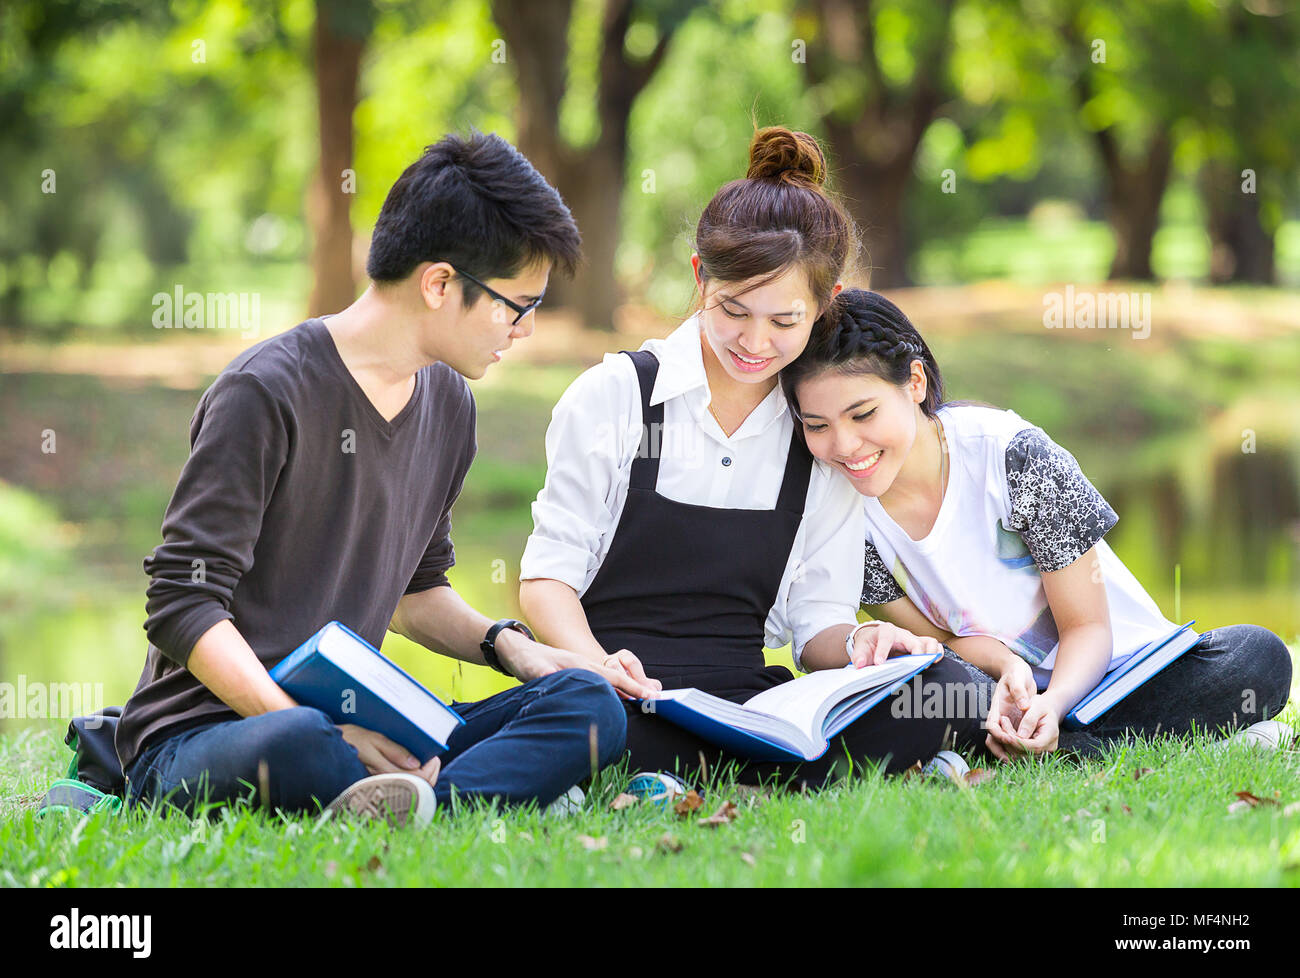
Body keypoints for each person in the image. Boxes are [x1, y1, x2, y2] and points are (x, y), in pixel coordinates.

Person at [116, 131, 637, 825]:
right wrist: (328, 734)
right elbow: (182, 601)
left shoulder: (450, 404)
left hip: (354, 719)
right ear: (440, 283)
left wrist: (517, 650)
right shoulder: (265, 391)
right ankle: (417, 790)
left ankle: (406, 803)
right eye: (517, 305)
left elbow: (416, 593)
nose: (525, 330)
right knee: (303, 744)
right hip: (213, 734)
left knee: (586, 704)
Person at [518, 127, 984, 787]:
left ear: (826, 305)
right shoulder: (615, 397)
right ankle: (794, 773)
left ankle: (717, 769)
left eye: (785, 322)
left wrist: (862, 643)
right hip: (615, 688)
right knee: (592, 724)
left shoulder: (819, 431)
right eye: (733, 309)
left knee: (951, 687)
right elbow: (546, 580)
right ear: (699, 276)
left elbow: (817, 623)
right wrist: (596, 667)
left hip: (753, 701)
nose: (754, 342)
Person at [781, 287, 1294, 760]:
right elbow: (937, 644)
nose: (845, 447)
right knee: (921, 696)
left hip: (1125, 672)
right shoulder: (840, 512)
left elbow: (1088, 626)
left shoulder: (1012, 455)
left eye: (863, 414)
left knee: (1259, 657)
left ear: (914, 383)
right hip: (993, 689)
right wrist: (1010, 670)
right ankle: (1163, 743)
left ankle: (1070, 745)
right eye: (818, 426)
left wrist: (1055, 704)